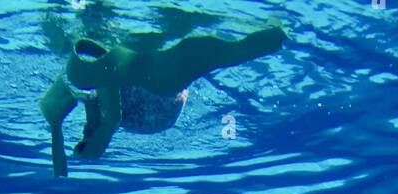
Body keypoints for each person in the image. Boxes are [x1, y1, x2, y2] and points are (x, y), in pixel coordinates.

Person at [39, 12, 286, 175]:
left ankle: (278, 34)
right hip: (155, 104)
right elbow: (108, 119)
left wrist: (62, 130)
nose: (84, 131)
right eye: (86, 135)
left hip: (150, 104)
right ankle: (281, 33)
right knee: (196, 52)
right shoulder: (107, 97)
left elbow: (101, 116)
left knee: (179, 51)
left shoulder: (94, 94)